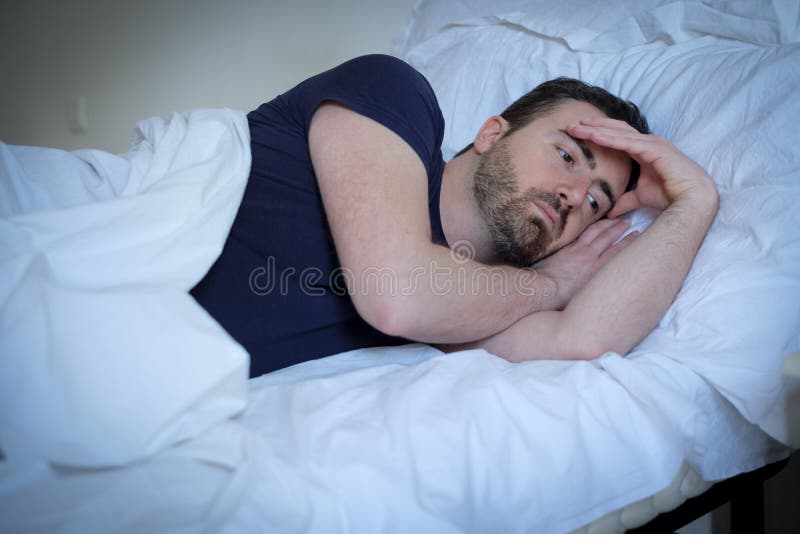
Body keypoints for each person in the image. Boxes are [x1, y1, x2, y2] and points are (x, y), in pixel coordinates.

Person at [191, 54, 718, 377]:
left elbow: (580, 343)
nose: (575, 196)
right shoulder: (391, 91)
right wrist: (551, 287)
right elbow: (400, 296)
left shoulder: (470, 306)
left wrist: (695, 199)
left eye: (598, 201)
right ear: (493, 133)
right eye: (566, 156)